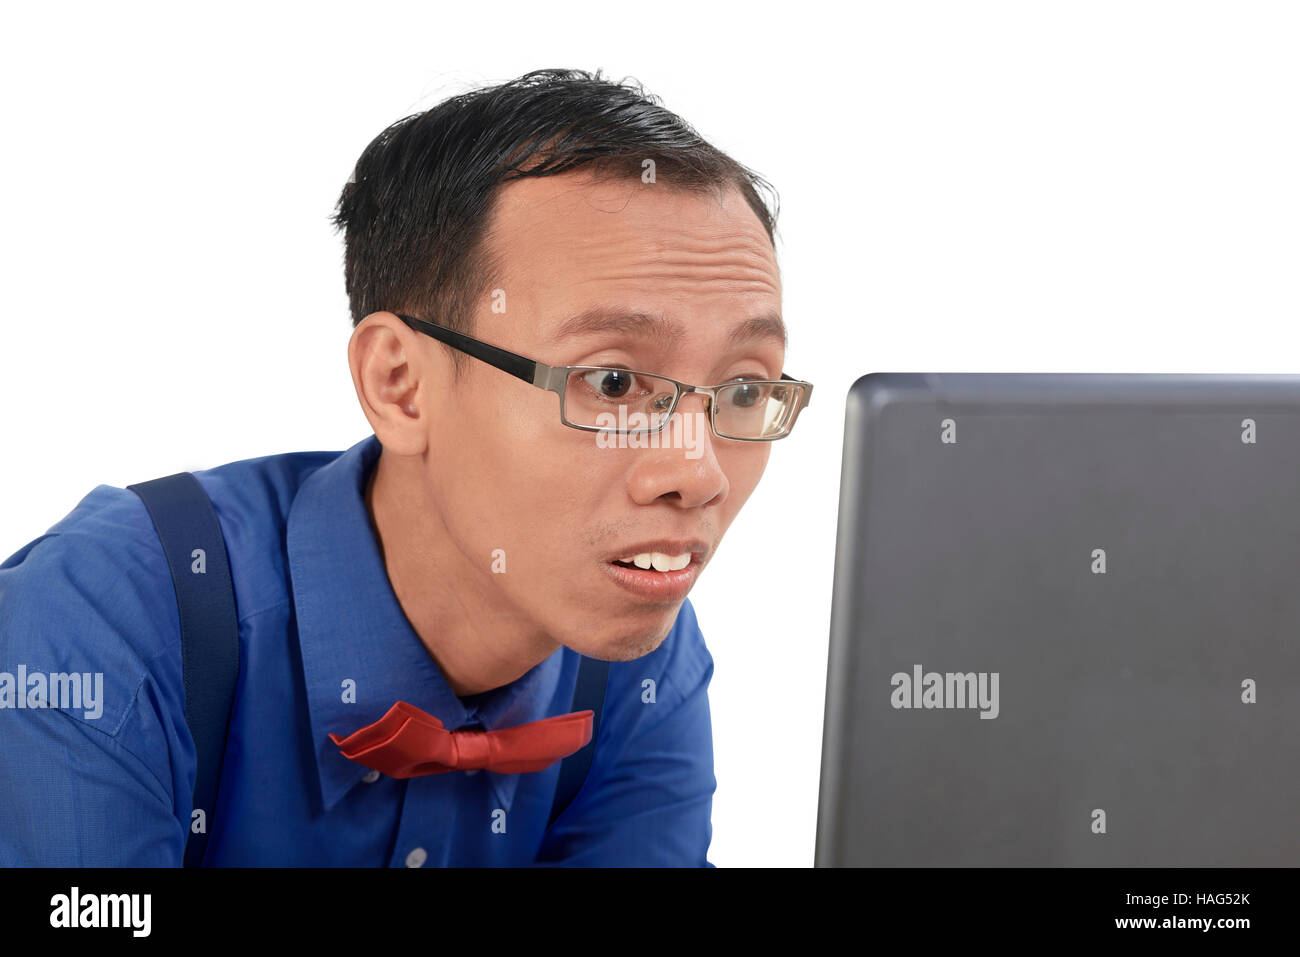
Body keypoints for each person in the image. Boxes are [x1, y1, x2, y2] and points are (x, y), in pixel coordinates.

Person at [0, 68, 812, 866]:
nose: (698, 474)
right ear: (401, 384)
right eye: (611, 382)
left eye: (744, 389)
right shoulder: (101, 623)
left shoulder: (635, 657)